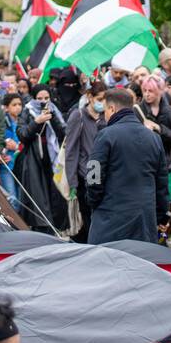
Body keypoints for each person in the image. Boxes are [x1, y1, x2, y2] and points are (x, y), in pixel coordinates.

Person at [87, 87, 169, 245]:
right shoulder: (153, 138)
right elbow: (162, 182)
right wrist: (160, 215)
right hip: (144, 217)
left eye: (105, 110)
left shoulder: (106, 135)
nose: (104, 114)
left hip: (110, 216)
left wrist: (93, 201)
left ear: (112, 108)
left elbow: (93, 175)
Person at [15, 84, 67, 234]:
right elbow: (23, 134)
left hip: (54, 160)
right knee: (39, 199)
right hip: (34, 161)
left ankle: (57, 228)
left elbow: (63, 133)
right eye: (39, 98)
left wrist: (54, 118)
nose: (43, 101)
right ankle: (43, 229)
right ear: (34, 98)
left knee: (56, 197)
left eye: (46, 98)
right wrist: (37, 121)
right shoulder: (27, 111)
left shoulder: (54, 110)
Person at [62, 80, 106, 242]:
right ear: (90, 97)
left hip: (103, 174)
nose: (102, 103)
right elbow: (71, 150)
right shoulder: (78, 116)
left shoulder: (105, 117)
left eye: (104, 99)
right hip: (84, 175)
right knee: (87, 215)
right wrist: (72, 181)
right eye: (99, 99)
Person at [137, 72, 171, 161]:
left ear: (160, 90)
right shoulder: (137, 110)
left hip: (164, 161)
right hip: (143, 160)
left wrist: (160, 128)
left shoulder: (170, 112)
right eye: (144, 90)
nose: (147, 94)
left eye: (150, 91)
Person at [0, 92, 23, 209]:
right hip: (6, 166)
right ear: (6, 108)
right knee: (11, 198)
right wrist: (2, 148)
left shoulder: (23, 121)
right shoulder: (1, 122)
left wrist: (17, 146)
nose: (18, 107)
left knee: (20, 198)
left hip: (20, 164)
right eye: (14, 105)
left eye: (19, 104)